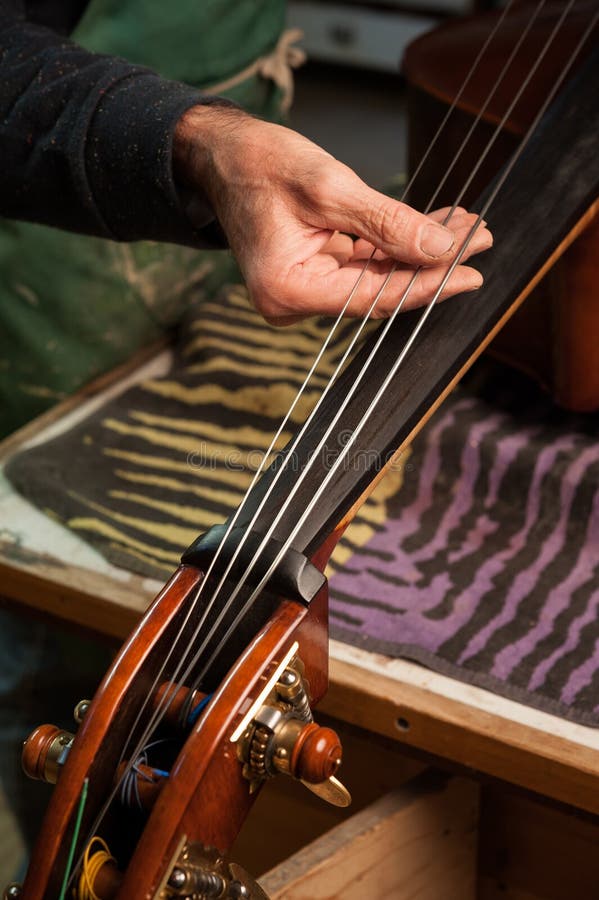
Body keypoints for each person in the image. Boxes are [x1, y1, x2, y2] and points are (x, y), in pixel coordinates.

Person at [0, 0, 492, 870]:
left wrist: (227, 156)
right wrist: (203, 144)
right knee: (40, 599)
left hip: (227, 160)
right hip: (47, 208)